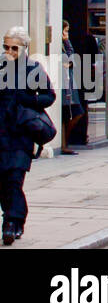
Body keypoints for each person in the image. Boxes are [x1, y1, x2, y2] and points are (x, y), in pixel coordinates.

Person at [0, 27, 55, 245]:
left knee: (14, 179)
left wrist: (27, 99)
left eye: (14, 48)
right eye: (6, 47)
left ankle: (11, 223)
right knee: (3, 181)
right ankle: (15, 219)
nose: (9, 52)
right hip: (1, 132)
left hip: (21, 133)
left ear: (24, 48)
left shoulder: (33, 68)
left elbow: (49, 97)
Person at [59, 23, 85, 156]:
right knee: (69, 113)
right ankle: (63, 145)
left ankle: (65, 143)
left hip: (68, 83)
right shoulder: (60, 46)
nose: (67, 34)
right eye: (65, 31)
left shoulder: (64, 45)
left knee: (74, 113)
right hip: (64, 84)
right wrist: (66, 40)